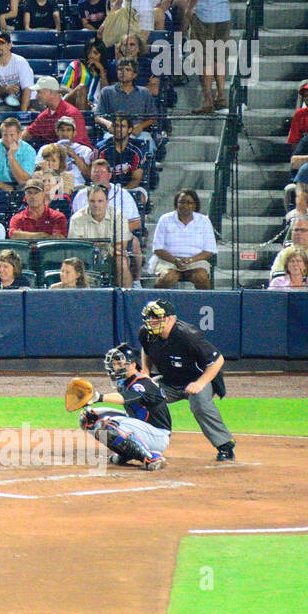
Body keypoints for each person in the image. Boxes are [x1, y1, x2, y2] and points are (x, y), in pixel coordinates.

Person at [137, 297, 235, 461]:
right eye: (150, 317)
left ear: (171, 319)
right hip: (169, 382)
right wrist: (146, 372)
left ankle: (225, 445)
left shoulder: (187, 335)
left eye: (157, 317)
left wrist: (200, 383)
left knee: (200, 405)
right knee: (139, 395)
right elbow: (146, 350)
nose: (152, 321)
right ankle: (141, 441)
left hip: (197, 379)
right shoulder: (146, 334)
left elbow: (217, 360)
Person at [74, 345, 171, 470]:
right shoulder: (125, 382)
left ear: (133, 364)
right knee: (88, 418)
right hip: (141, 428)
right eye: (114, 364)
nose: (116, 367)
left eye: (120, 363)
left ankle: (151, 457)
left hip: (157, 435)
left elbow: (125, 398)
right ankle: (126, 453)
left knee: (109, 425)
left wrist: (98, 397)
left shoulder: (143, 383)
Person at [149, 187, 216, 289]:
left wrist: (190, 260)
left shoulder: (204, 221)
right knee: (168, 277)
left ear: (195, 205)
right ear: (176, 204)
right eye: (182, 202)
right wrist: (175, 261)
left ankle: (205, 304)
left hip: (195, 262)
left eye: (189, 203)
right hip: (169, 261)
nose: (185, 205)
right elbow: (157, 249)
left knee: (201, 277)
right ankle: (156, 303)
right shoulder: (165, 219)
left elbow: (209, 250)